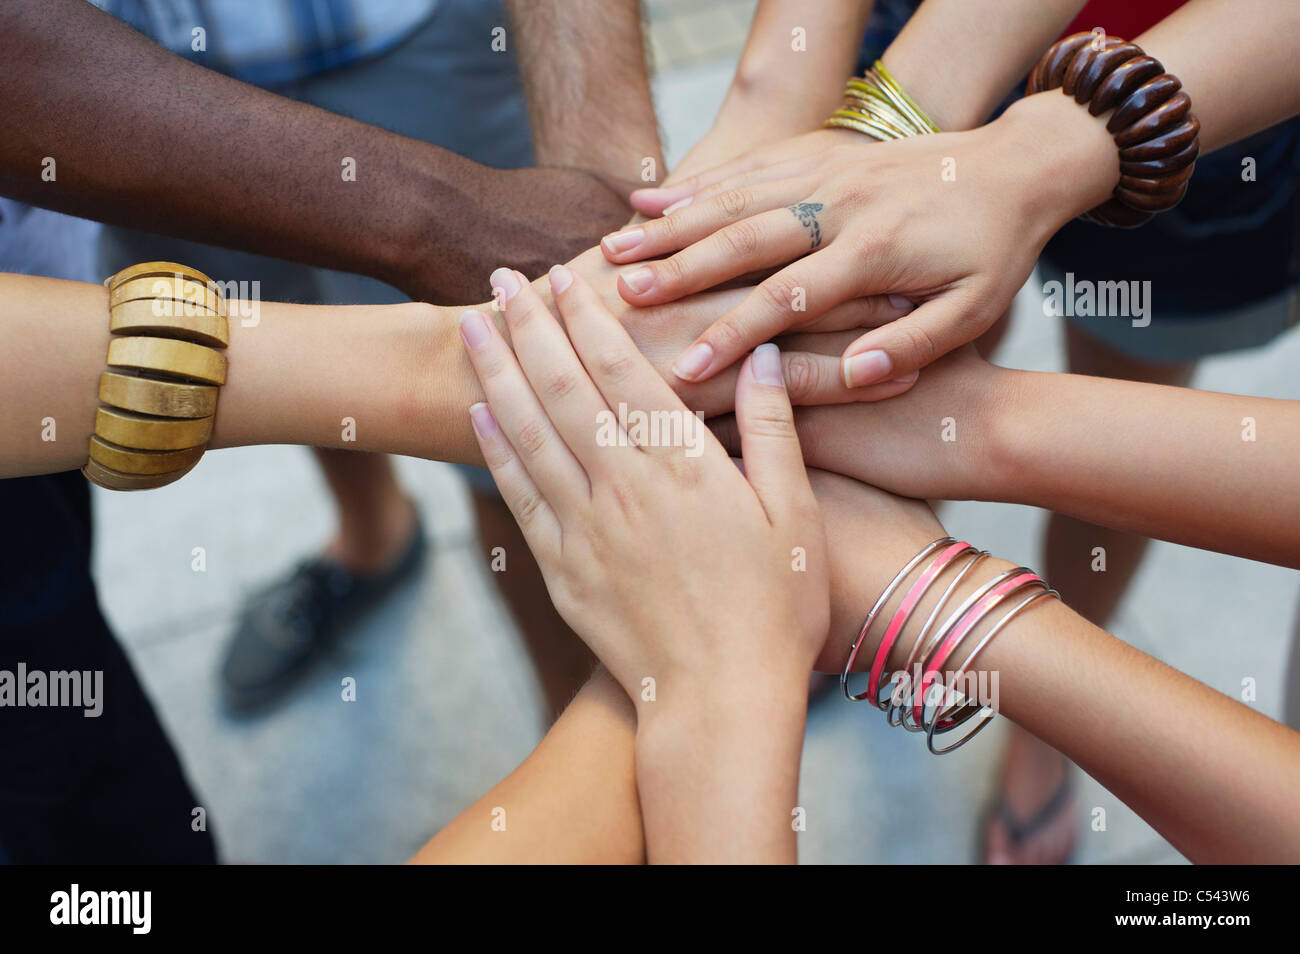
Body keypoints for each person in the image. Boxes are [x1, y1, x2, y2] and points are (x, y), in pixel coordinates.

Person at [600, 0, 1300, 863]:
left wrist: (942, 566)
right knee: (875, 361)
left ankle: (1043, 731)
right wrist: (794, 107)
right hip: (937, 31)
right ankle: (848, 565)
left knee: (1106, 443)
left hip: (1228, 95)